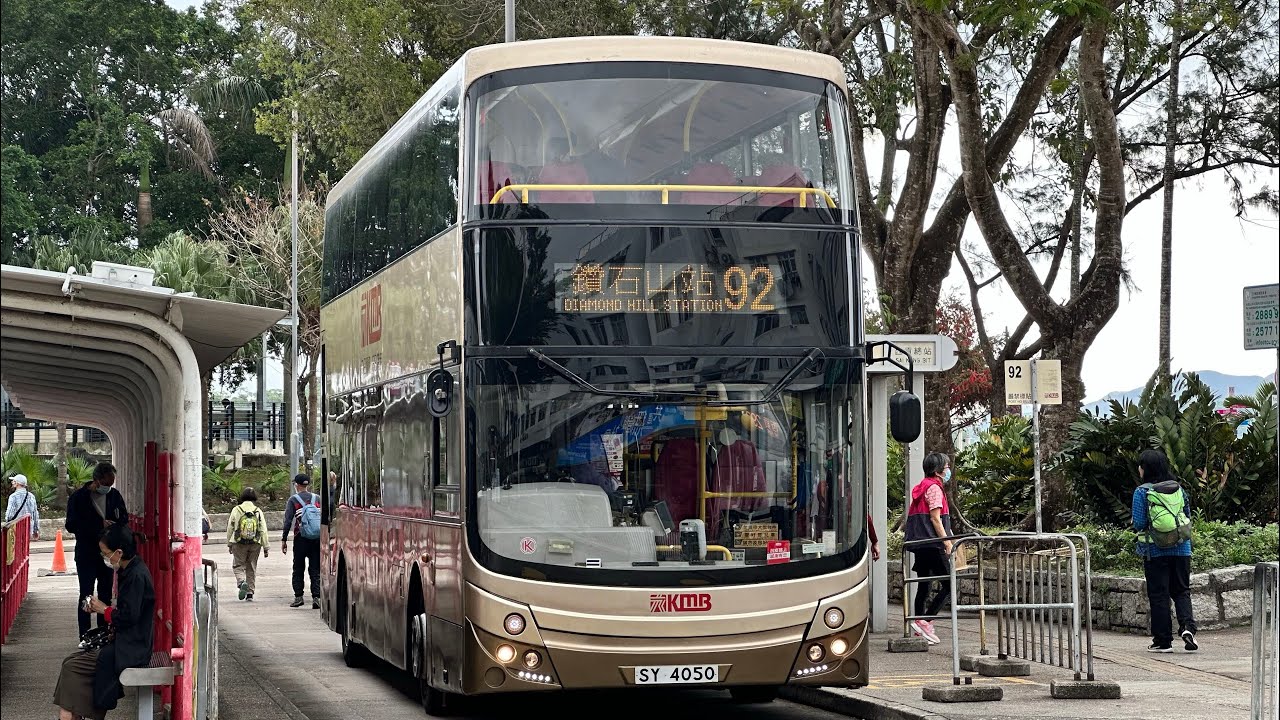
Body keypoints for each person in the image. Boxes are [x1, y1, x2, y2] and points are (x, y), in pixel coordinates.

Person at [52, 523, 155, 720]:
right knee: (71, 662)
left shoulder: (135, 576)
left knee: (72, 666)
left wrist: (104, 610)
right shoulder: (132, 569)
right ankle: (74, 712)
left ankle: (71, 713)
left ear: (119, 552)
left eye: (106, 553)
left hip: (131, 648)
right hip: (130, 642)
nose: (105, 558)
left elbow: (128, 617)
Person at [1132, 448, 1198, 653]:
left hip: (1155, 550)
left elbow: (1140, 522)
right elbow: (1186, 516)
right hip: (1181, 548)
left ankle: (1163, 641)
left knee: (1159, 594)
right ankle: (1188, 628)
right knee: (1181, 590)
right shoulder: (1178, 489)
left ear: (1145, 469)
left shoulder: (1142, 492)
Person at [65, 462, 128, 641]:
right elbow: (71, 525)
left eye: (111, 483)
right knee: (86, 593)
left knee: (106, 593)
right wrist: (97, 525)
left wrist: (116, 525)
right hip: (86, 552)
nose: (109, 487)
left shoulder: (115, 496)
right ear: (97, 480)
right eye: (107, 483)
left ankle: (104, 631)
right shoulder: (79, 498)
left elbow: (124, 518)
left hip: (108, 554)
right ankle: (84, 635)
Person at [903, 452, 954, 645]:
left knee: (924, 583)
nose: (948, 469)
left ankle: (917, 623)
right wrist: (947, 541)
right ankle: (926, 620)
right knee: (950, 585)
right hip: (933, 543)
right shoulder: (934, 488)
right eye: (946, 466)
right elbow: (935, 518)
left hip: (921, 544)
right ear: (938, 470)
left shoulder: (922, 487)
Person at [282, 474, 321, 609]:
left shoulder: (293, 500)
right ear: (307, 485)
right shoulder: (317, 498)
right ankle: (317, 597)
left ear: (297, 485)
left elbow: (288, 521)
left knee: (298, 567)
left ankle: (299, 597)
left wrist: (284, 539)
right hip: (316, 538)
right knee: (315, 568)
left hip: (301, 538)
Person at [227, 487, 269, 601]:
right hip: (255, 543)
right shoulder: (258, 510)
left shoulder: (237, 509)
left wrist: (229, 543)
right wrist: (266, 547)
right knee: (251, 566)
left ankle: (241, 582)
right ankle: (250, 592)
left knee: (238, 565)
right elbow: (263, 529)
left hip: (239, 542)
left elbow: (230, 527)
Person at [5, 473, 41, 540]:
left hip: (16, 528)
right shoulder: (31, 496)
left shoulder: (13, 497)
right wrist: (36, 530)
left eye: (13, 481)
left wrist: (7, 525)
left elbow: (9, 514)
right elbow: (35, 514)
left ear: (17, 483)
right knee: (25, 547)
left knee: (16, 548)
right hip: (28, 528)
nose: (12, 482)